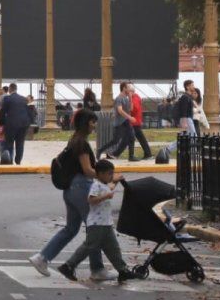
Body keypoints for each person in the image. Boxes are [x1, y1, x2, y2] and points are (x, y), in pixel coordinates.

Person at [30, 108, 117, 282]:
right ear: (86, 123)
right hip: (82, 187)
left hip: (70, 190)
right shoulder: (82, 144)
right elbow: (87, 170)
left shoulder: (73, 140)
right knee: (95, 228)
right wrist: (108, 177)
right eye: (92, 122)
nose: (94, 125)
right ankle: (97, 269)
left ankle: (42, 257)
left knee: (71, 228)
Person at [57, 159, 141, 283]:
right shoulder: (96, 185)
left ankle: (123, 270)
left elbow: (110, 188)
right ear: (100, 174)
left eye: (112, 173)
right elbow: (91, 199)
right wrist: (105, 196)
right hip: (97, 223)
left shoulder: (105, 185)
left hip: (106, 223)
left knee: (113, 248)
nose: (111, 176)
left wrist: (116, 181)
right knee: (89, 246)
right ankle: (68, 266)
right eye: (109, 174)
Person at [0, 83, 32, 165]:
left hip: (11, 125)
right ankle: (18, 161)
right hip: (23, 124)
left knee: (9, 143)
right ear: (16, 89)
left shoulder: (7, 99)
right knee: (20, 143)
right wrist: (29, 123)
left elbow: (3, 112)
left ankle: (10, 161)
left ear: (9, 89)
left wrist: (1, 123)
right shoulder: (24, 99)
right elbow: (29, 112)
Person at [97, 83, 135, 160]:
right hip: (120, 123)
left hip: (126, 122)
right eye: (128, 88)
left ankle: (131, 156)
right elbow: (120, 111)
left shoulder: (126, 98)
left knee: (131, 137)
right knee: (115, 140)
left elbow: (131, 109)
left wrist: (130, 99)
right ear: (124, 88)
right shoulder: (119, 98)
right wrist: (130, 117)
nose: (130, 90)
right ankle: (100, 150)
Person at [127, 86, 151, 161]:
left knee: (139, 138)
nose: (127, 94)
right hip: (136, 121)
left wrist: (130, 101)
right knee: (140, 138)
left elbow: (134, 109)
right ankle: (147, 153)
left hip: (135, 121)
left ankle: (147, 154)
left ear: (131, 92)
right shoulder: (137, 98)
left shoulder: (135, 98)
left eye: (128, 92)